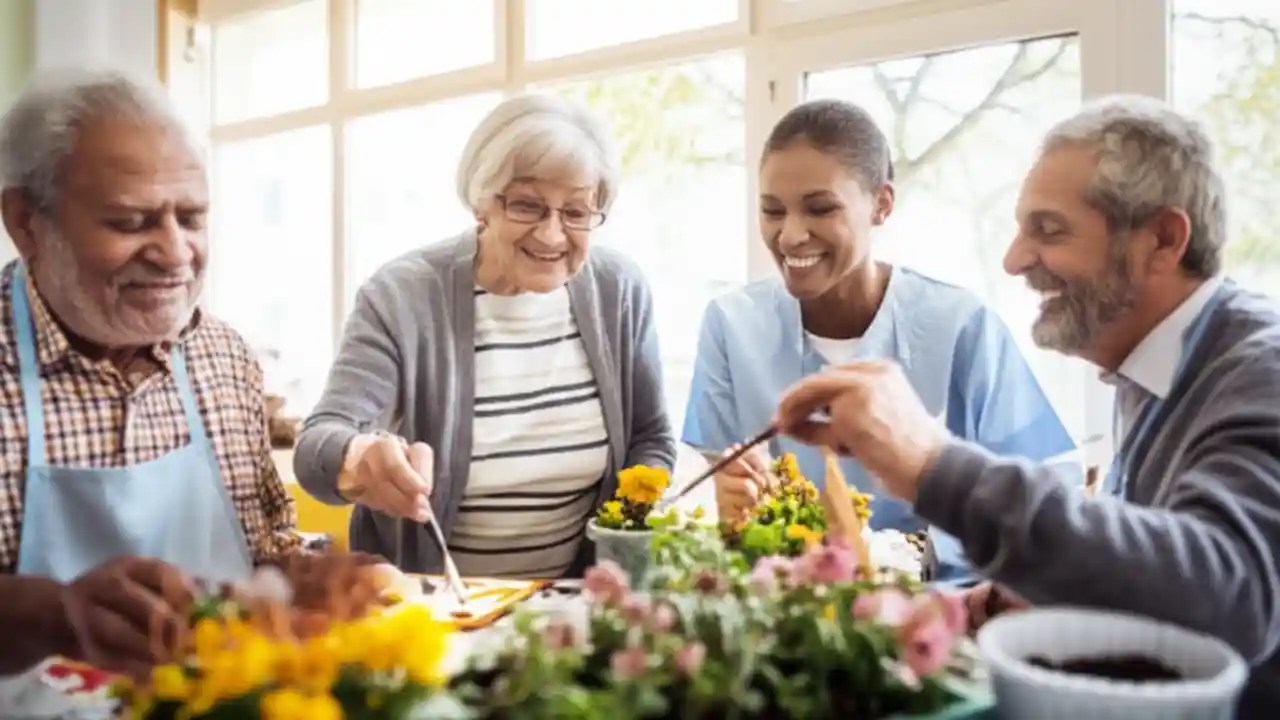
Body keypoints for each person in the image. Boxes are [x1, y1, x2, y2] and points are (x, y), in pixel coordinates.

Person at [772, 95, 1280, 717]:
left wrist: (932, 463)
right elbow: (1162, 583)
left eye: (1049, 230)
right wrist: (1028, 600)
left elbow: (1235, 596)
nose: (1014, 260)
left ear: (1164, 240)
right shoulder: (1152, 375)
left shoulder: (1261, 369)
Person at [683, 99, 1075, 585]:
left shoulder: (960, 326)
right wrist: (724, 499)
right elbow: (704, 493)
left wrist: (906, 556)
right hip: (783, 606)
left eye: (820, 208)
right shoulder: (731, 324)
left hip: (938, 608)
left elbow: (1043, 499)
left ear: (882, 203)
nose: (790, 235)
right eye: (772, 211)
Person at [295, 94, 675, 579]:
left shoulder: (617, 290)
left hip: (576, 609)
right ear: (482, 203)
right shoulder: (403, 295)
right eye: (526, 205)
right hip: (438, 613)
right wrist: (357, 458)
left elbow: (652, 438)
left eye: (576, 212)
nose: (553, 235)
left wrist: (627, 536)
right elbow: (316, 450)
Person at [0, 69, 300, 585]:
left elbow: (265, 551)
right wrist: (50, 617)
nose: (175, 254)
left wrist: (306, 575)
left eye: (191, 219)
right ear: (26, 223)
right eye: (129, 223)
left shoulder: (224, 359)